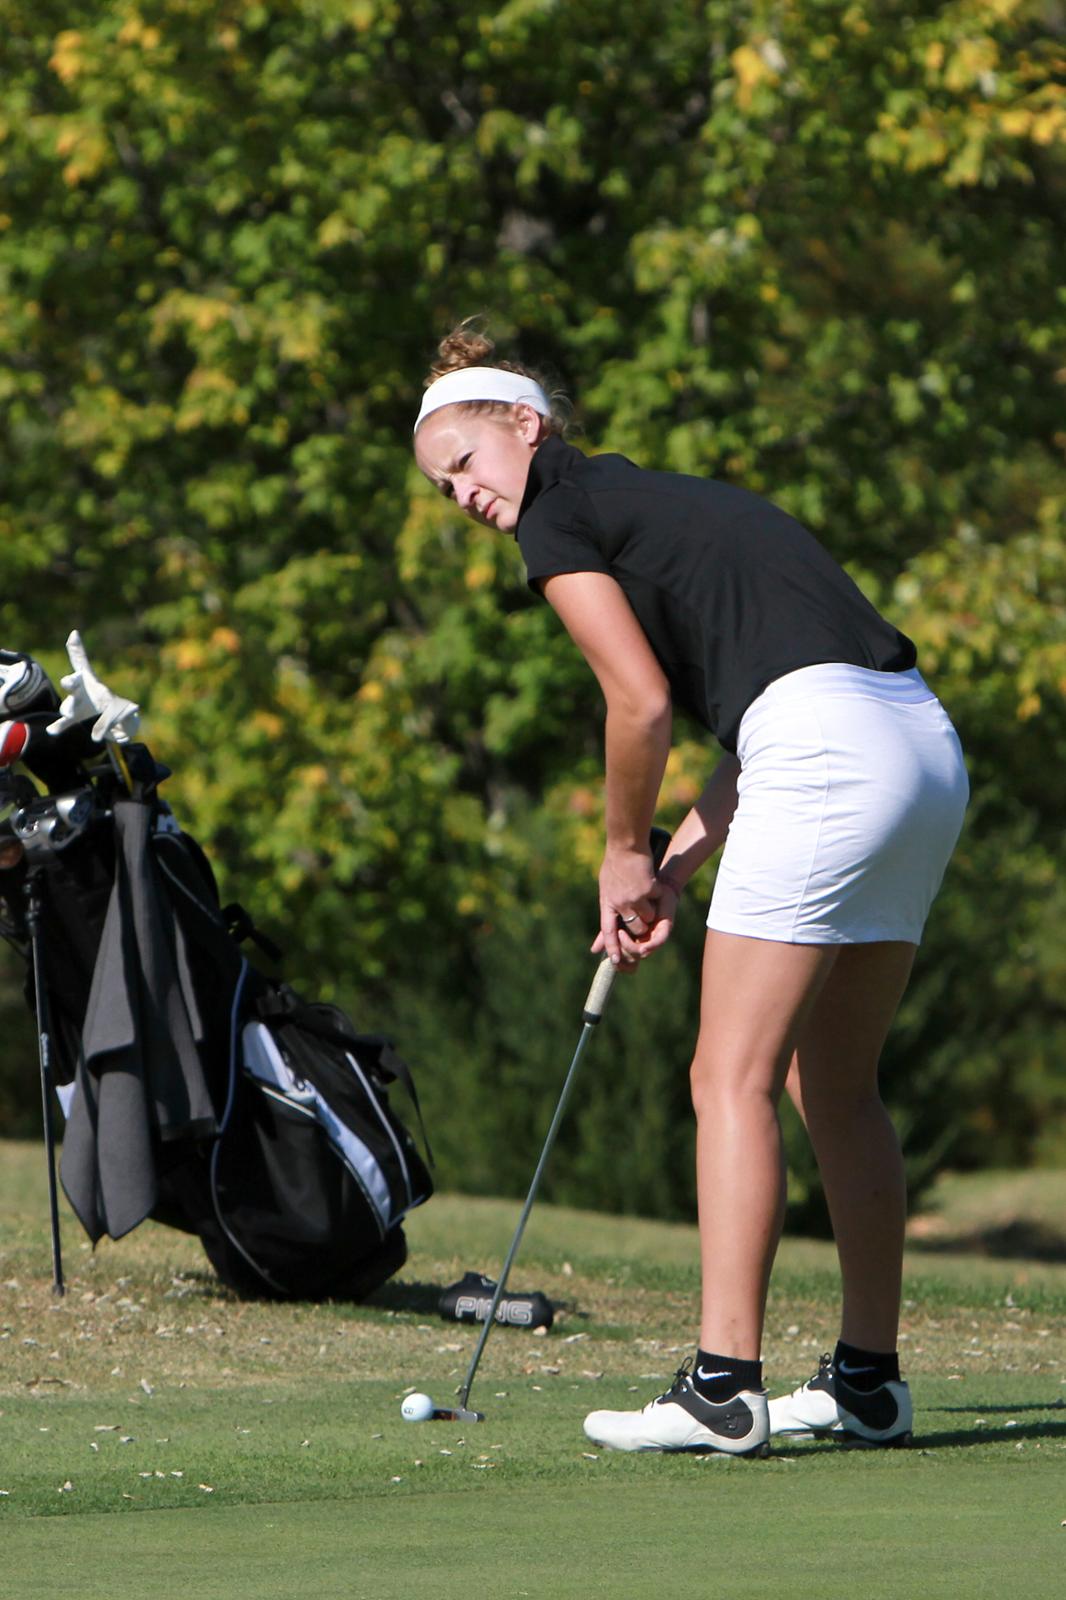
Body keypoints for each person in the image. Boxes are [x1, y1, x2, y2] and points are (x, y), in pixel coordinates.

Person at [413, 325, 969, 1457]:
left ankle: (723, 1387)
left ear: (526, 424)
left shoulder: (559, 513)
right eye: (442, 486)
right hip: (916, 746)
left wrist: (622, 850)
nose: (462, 495)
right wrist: (671, 870)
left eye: (465, 462)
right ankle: (867, 1383)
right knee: (831, 1082)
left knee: (728, 1075)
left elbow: (641, 703)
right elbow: (768, 720)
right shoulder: (660, 503)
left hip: (825, 748)